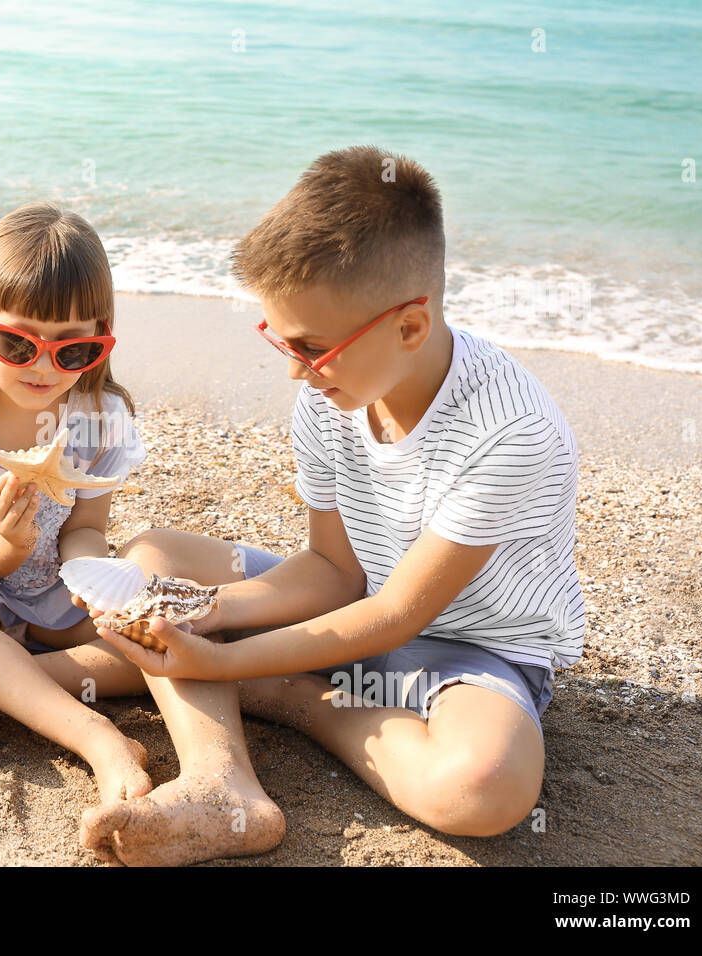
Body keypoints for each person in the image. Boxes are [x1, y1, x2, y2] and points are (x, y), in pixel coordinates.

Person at [81, 146, 585, 859]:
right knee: (152, 556)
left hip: (472, 651)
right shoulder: (331, 390)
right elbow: (332, 571)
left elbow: (397, 615)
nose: (293, 368)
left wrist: (222, 662)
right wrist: (211, 608)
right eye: (279, 339)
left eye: (311, 347)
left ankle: (286, 695)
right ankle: (221, 779)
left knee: (483, 788)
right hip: (354, 606)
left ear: (409, 326)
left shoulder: (511, 432)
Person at [0, 202, 285, 863]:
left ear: (103, 339)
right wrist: (9, 543)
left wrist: (90, 578)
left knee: (151, 621)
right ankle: (97, 738)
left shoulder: (100, 417)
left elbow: (88, 527)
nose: (42, 367)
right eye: (17, 344)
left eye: (72, 348)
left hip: (54, 590)